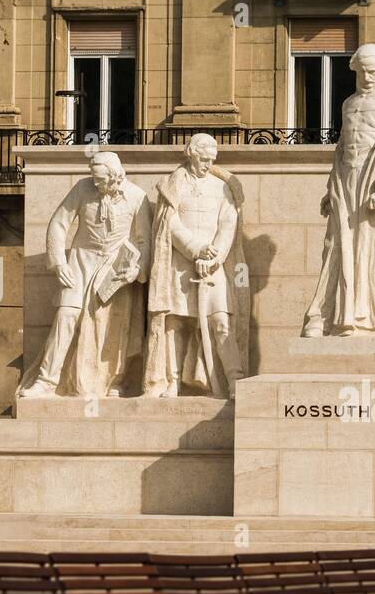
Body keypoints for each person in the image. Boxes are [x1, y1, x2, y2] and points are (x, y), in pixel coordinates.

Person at [302, 43, 375, 337]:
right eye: (362, 72)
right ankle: (334, 318)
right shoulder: (349, 103)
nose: (367, 77)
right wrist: (332, 187)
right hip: (347, 184)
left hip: (374, 187)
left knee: (374, 250)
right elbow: (342, 148)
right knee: (336, 249)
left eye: (373, 71)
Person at [21, 151, 152, 398]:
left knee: (115, 324)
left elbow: (145, 241)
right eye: (94, 178)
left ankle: (116, 381)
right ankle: (46, 381)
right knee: (66, 315)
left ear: (115, 177)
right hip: (81, 261)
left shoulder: (137, 196)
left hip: (114, 267)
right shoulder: (82, 188)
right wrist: (59, 263)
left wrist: (136, 269)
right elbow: (59, 224)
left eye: (100, 179)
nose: (96, 183)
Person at [145, 133, 246, 400]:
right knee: (175, 324)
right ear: (190, 153)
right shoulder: (171, 185)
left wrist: (214, 257)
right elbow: (170, 223)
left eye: (211, 160)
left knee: (221, 321)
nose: (207, 164)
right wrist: (195, 249)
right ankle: (173, 380)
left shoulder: (222, 187)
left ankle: (234, 378)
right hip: (180, 264)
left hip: (215, 266)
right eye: (203, 159)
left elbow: (228, 224)